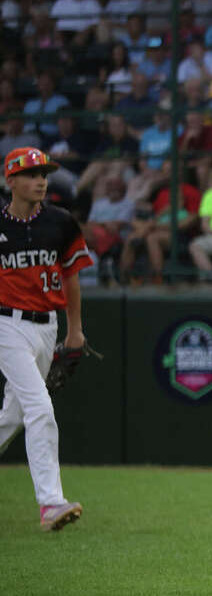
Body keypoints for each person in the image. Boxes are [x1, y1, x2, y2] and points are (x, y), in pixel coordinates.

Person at [0, 148, 92, 530]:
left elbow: (71, 277)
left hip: (47, 325)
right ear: (11, 180)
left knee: (13, 416)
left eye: (44, 174)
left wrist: (75, 330)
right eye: (31, 174)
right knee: (40, 408)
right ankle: (51, 503)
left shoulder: (61, 222)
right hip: (6, 325)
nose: (40, 181)